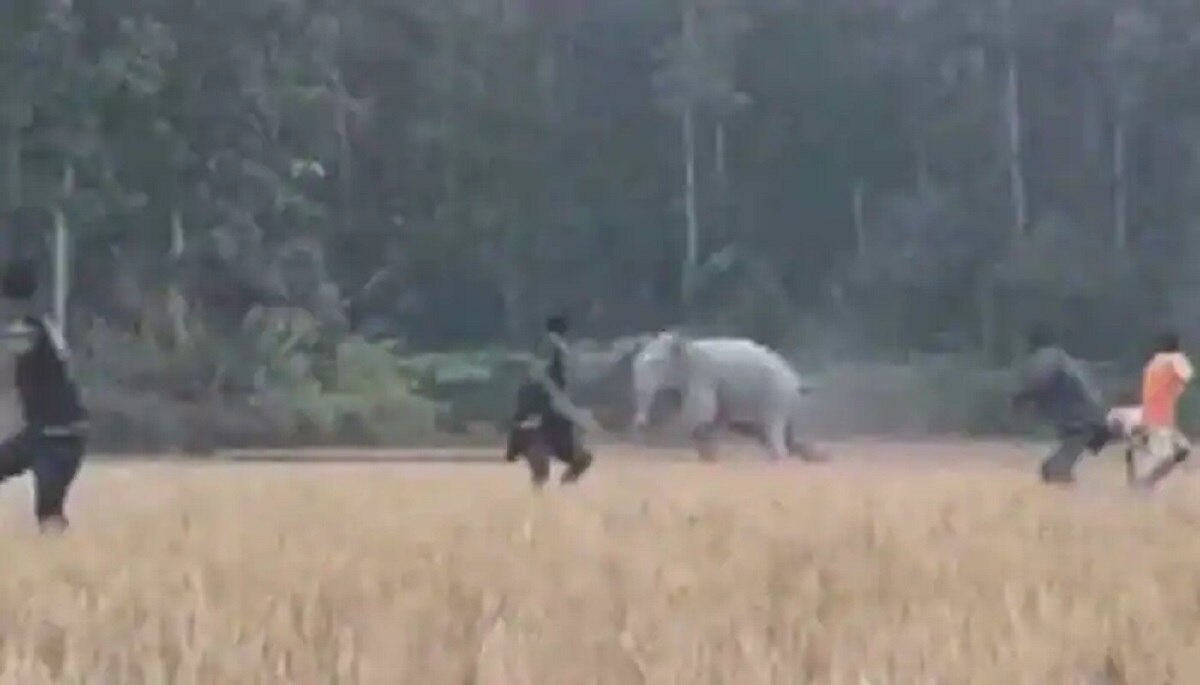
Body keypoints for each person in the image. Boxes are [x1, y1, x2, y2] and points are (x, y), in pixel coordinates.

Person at [0, 259, 87, 533]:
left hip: (57, 434)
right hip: (48, 431)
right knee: (49, 509)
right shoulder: (45, 324)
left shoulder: (24, 331)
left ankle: (60, 565)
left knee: (49, 511)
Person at [1011, 324, 1112, 485]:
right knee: (1055, 469)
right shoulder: (1065, 359)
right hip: (1091, 419)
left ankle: (1079, 502)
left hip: (1083, 422)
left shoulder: (1047, 356)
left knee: (1054, 470)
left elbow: (1042, 379)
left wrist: (1023, 397)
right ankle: (1079, 499)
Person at [503, 313, 594, 487]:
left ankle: (562, 494)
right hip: (536, 421)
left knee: (579, 458)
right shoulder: (552, 350)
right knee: (542, 467)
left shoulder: (552, 352)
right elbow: (543, 380)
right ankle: (541, 502)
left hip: (551, 422)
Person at [1130, 331, 1193, 490]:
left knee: (1182, 450)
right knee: (1165, 456)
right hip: (1161, 420)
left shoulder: (1153, 363)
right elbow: (1189, 375)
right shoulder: (1175, 360)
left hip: (1151, 417)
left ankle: (1146, 482)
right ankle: (1145, 484)